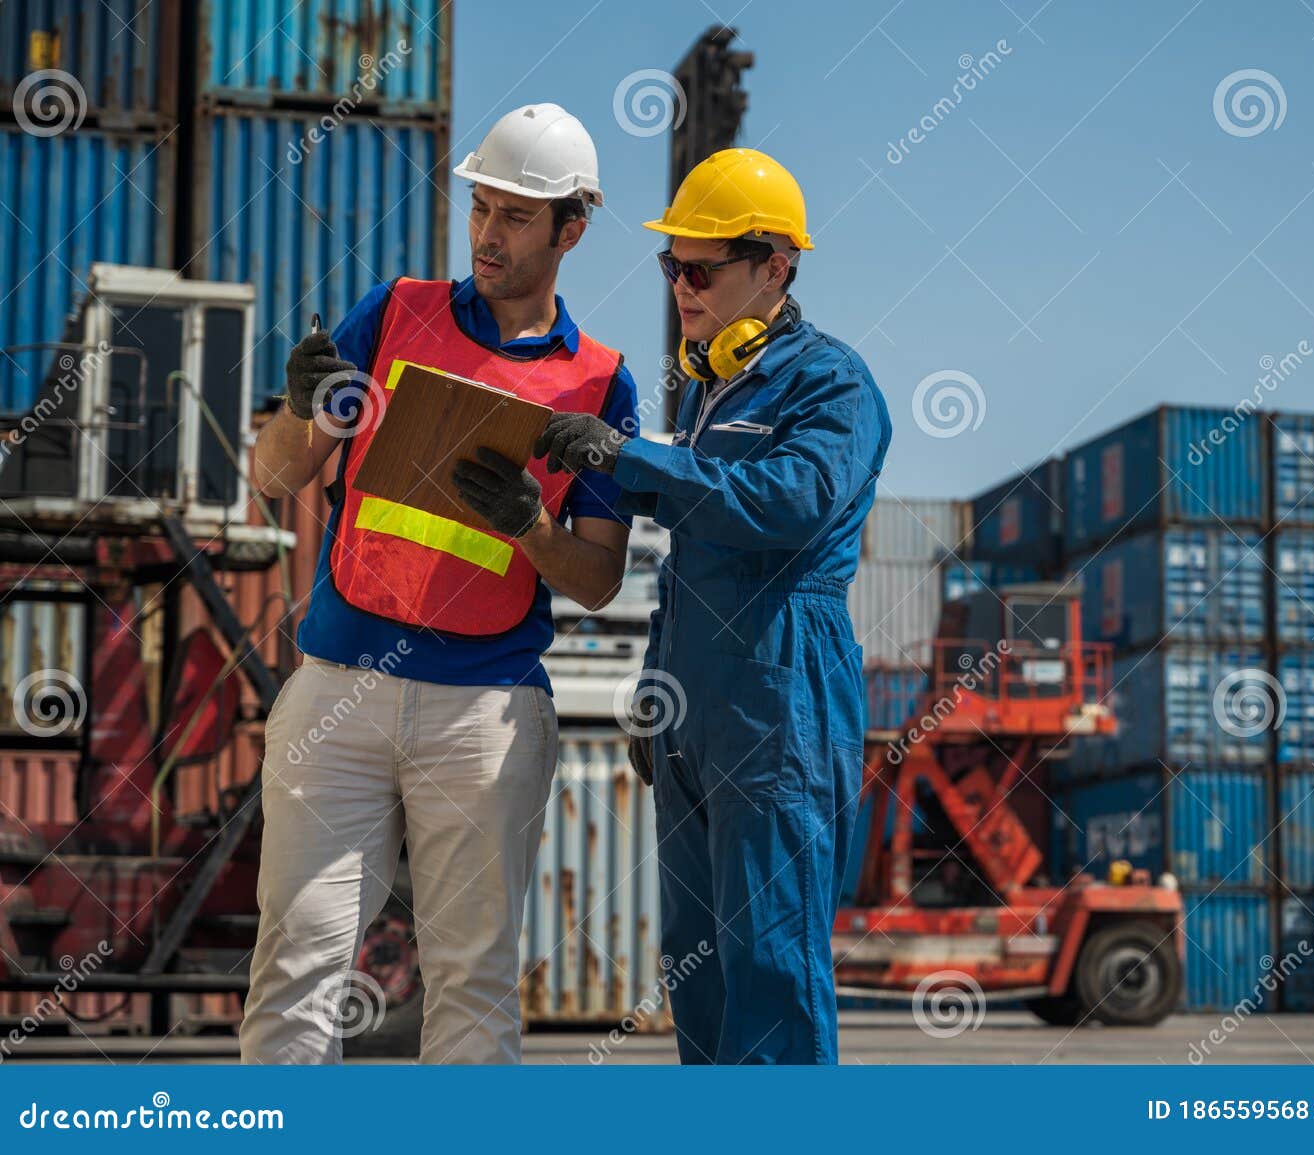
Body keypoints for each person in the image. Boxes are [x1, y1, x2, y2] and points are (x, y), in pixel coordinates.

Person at [241, 104, 637, 1064]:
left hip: (486, 710)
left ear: (571, 229)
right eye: (481, 208)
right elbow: (276, 473)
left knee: (473, 984)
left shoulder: (601, 383)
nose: (488, 235)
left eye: (514, 216)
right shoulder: (392, 312)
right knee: (297, 962)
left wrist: (529, 527)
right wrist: (302, 410)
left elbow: (596, 576)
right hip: (340, 686)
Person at [535, 148, 891, 1064]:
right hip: (697, 712)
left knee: (770, 968)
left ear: (776, 266)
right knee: (696, 974)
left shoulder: (833, 386)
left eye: (701, 269)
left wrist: (629, 457)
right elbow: (691, 551)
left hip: (781, 703)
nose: (680, 287)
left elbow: (783, 504)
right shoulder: (703, 390)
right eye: (670, 266)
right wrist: (658, 696)